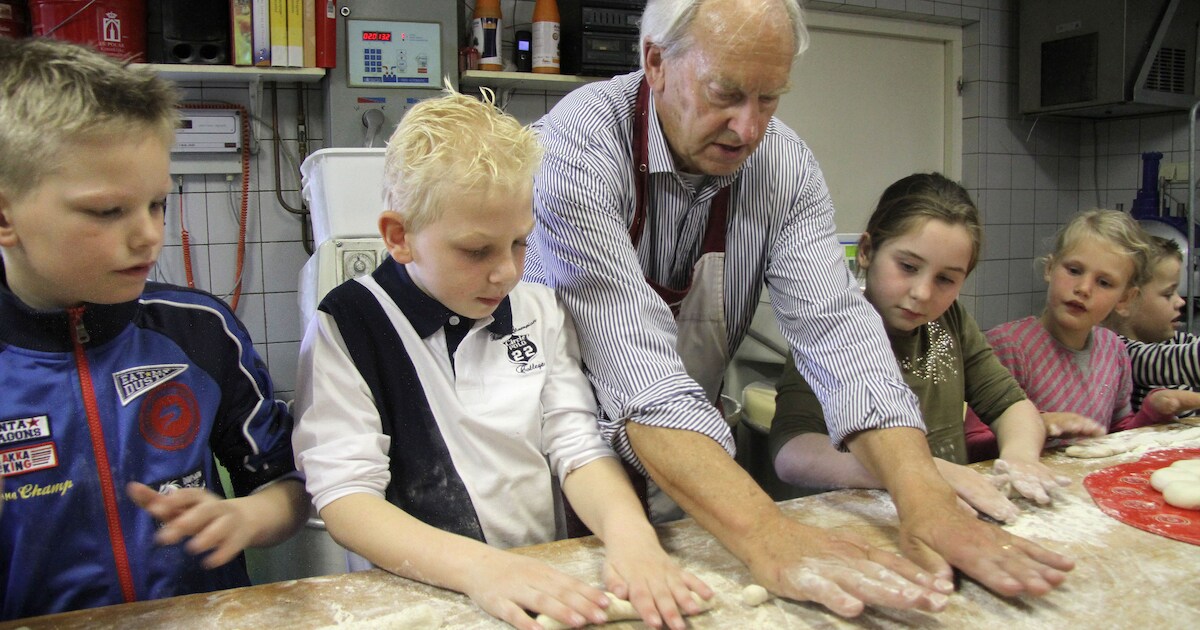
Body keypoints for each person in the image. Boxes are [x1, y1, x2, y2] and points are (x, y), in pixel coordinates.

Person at [525, 0, 1074, 618]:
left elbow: (839, 333)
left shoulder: (782, 165)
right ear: (655, 62)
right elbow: (637, 373)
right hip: (551, 473)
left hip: (685, 473)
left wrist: (922, 496)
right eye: (726, 93)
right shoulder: (577, 150)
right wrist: (765, 531)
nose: (748, 128)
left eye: (770, 98)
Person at [291, 88, 711, 630]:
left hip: (547, 583)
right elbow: (347, 501)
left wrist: (631, 535)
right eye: (476, 250)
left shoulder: (538, 308)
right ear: (400, 237)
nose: (507, 272)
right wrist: (483, 571)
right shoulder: (349, 325)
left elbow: (575, 445)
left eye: (519, 242)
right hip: (423, 598)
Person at [0, 38, 306, 620]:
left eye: (157, 204)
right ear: (5, 215)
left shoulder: (198, 329)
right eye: (107, 211)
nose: (148, 235)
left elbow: (290, 485)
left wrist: (245, 517)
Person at [768, 173, 1070, 523]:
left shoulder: (949, 321)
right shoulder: (830, 331)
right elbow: (793, 454)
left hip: (943, 516)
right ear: (867, 251)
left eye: (945, 279)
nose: (922, 293)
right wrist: (916, 471)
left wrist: (1021, 459)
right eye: (908, 267)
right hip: (855, 526)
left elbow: (1010, 405)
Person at [963, 210, 1200, 461]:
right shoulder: (1009, 347)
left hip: (1080, 490)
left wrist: (1152, 411)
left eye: (1104, 283)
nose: (1083, 288)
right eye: (1074, 270)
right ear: (1050, 268)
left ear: (1124, 299)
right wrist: (1036, 427)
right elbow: (972, 446)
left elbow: (1115, 438)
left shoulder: (1113, 351)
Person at [1103, 236, 1199, 416]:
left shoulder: (1177, 341)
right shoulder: (1117, 351)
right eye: (1168, 293)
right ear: (1127, 300)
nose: (1180, 301)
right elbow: (1167, 362)